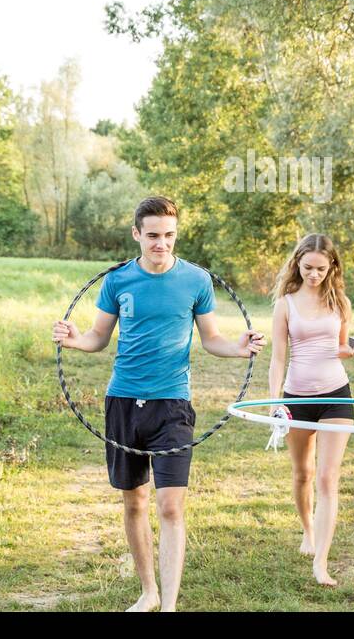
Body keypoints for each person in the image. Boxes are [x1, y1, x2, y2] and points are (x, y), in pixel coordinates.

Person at [52, 196, 265, 612]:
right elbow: (98, 337)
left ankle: (168, 604)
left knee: (170, 504)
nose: (161, 244)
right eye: (152, 236)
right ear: (137, 234)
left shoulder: (197, 281)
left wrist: (239, 349)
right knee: (134, 500)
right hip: (123, 401)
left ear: (176, 235)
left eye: (168, 236)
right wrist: (75, 340)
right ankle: (147, 591)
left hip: (173, 404)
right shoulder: (117, 281)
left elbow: (212, 339)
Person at [268, 234, 354, 587]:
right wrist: (275, 399)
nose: (314, 274)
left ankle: (321, 561)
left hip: (336, 394)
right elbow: (278, 358)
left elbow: (339, 347)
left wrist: (350, 351)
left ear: (332, 267)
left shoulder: (342, 303)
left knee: (327, 478)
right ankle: (308, 530)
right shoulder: (285, 304)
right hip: (297, 397)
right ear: (297, 264)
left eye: (322, 269)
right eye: (308, 268)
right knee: (303, 473)